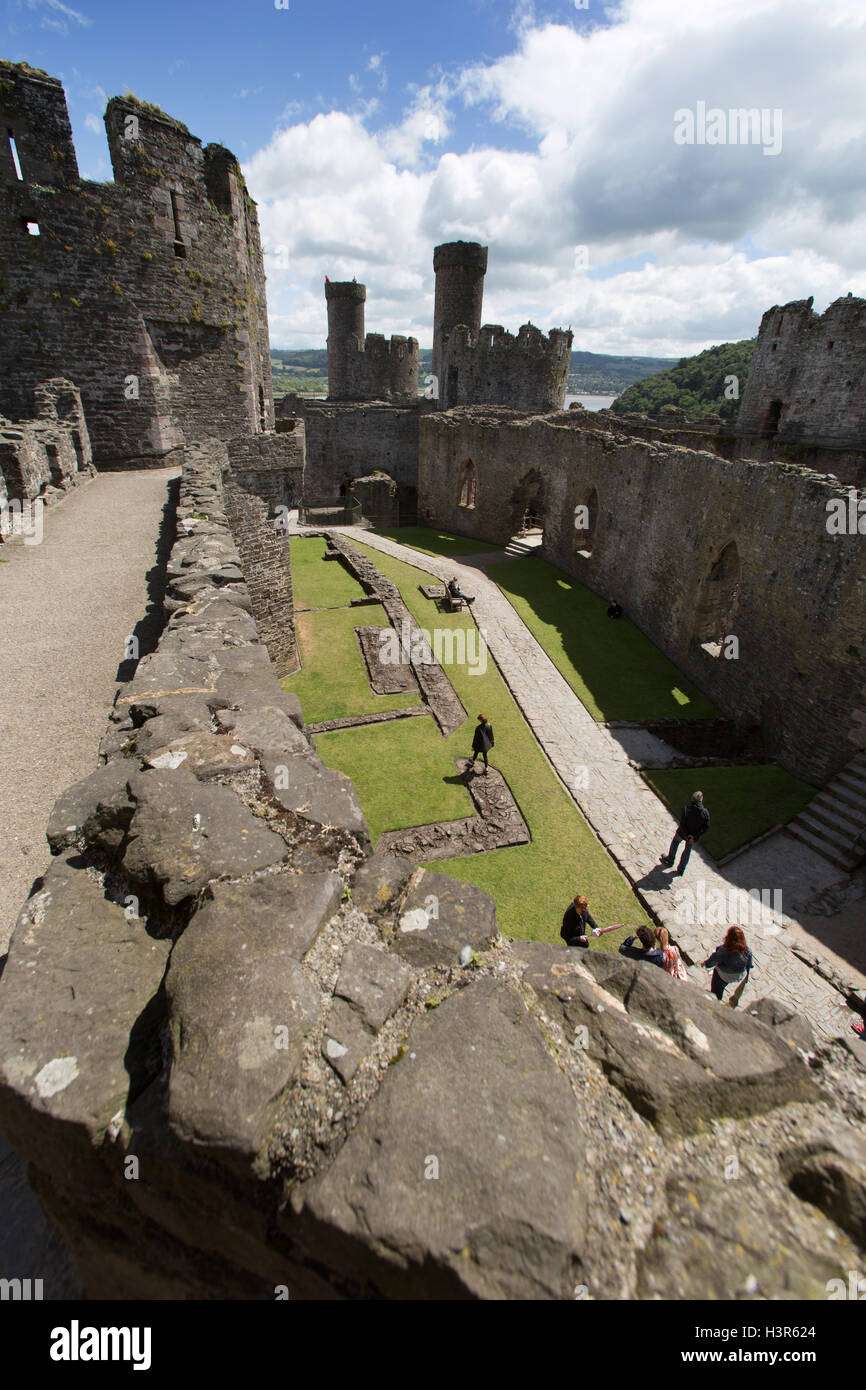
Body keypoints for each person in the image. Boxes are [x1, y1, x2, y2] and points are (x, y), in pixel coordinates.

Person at [660, 790, 710, 875]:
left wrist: (687, 835)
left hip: (682, 833)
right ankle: (681, 869)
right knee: (687, 851)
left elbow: (682, 824)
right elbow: (706, 827)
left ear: (693, 799)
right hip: (692, 838)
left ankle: (670, 860)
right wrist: (693, 836)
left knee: (675, 842)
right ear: (701, 800)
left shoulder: (686, 809)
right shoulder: (705, 813)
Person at [703, 926, 753, 1002]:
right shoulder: (747, 950)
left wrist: (705, 963)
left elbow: (713, 960)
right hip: (738, 975)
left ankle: (716, 1000)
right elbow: (749, 964)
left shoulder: (724, 951)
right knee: (723, 984)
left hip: (723, 975)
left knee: (717, 989)